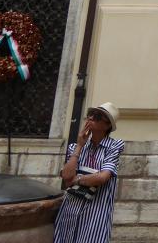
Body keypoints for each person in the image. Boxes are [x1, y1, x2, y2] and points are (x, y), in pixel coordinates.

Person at [53, 102, 124, 243]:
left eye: (97, 116)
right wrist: (79, 146)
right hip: (70, 213)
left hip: (95, 216)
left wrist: (76, 179)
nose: (90, 118)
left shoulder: (114, 146)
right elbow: (66, 178)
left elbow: (103, 177)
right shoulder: (75, 146)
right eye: (90, 115)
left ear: (107, 125)